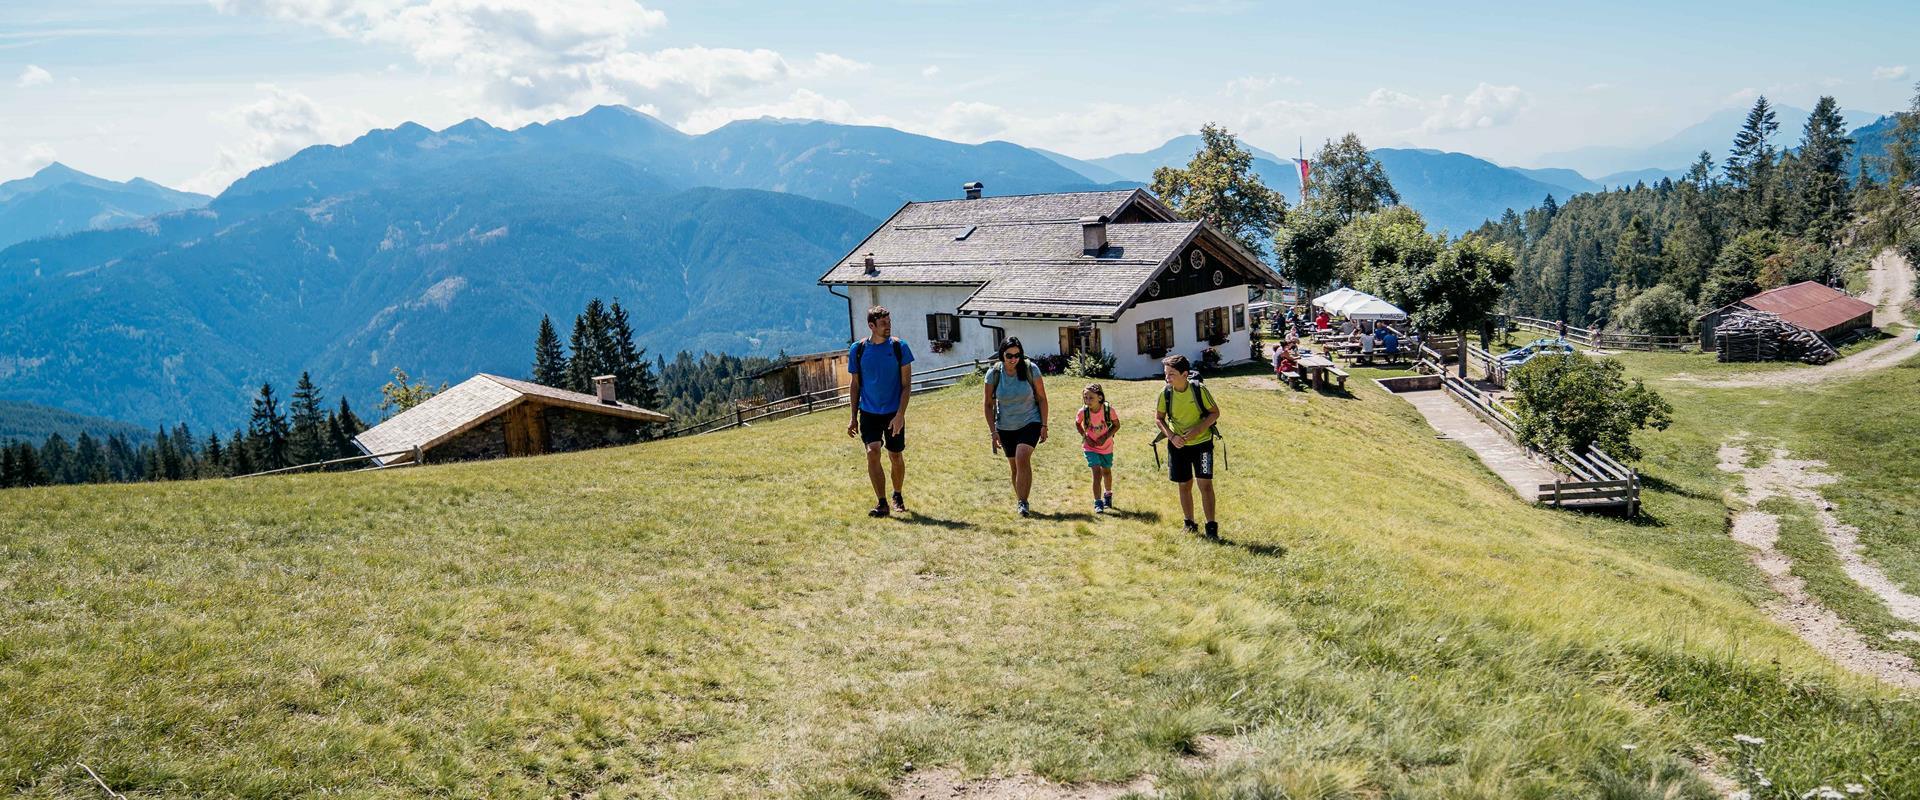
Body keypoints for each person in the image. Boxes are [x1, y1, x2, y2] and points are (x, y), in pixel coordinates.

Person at [846, 306, 914, 517]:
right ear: (871, 326)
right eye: (883, 323)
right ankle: (882, 502)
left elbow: (906, 385)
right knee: (872, 452)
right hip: (868, 412)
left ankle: (897, 494)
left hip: (894, 412)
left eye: (889, 322)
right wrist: (852, 418)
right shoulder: (858, 350)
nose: (888, 326)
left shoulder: (899, 348)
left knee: (895, 456)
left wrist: (900, 415)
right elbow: (855, 385)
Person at [1154, 355, 1221, 539]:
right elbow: (1159, 418)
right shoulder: (1165, 393)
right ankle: (1189, 523)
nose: (1167, 378)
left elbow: (1215, 413)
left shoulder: (1199, 390)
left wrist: (1198, 430)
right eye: (1166, 373)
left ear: (1185, 374)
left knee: (1205, 485)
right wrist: (1172, 436)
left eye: (1171, 374)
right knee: (1184, 485)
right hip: (1178, 447)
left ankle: (1211, 527)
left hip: (1202, 445)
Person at [984, 337, 1049, 517]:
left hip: (1030, 421)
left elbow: (1042, 398)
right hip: (1005, 426)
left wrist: (1044, 424)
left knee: (1022, 458)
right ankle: (1021, 499)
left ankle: (1023, 502)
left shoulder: (1030, 369)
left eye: (1017, 355)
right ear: (1002, 355)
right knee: (1014, 467)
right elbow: (988, 404)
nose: (1013, 359)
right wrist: (993, 431)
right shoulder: (994, 374)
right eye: (1009, 355)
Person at [1075, 384, 1119, 514]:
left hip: (1106, 446)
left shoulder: (1108, 410)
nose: (1087, 401)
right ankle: (1098, 502)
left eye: (1091, 398)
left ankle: (1108, 495)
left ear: (1100, 397)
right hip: (1090, 446)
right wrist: (1085, 437)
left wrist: (1105, 437)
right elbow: (1077, 423)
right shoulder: (1083, 412)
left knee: (1106, 472)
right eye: (1085, 398)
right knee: (1096, 473)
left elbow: (1117, 425)